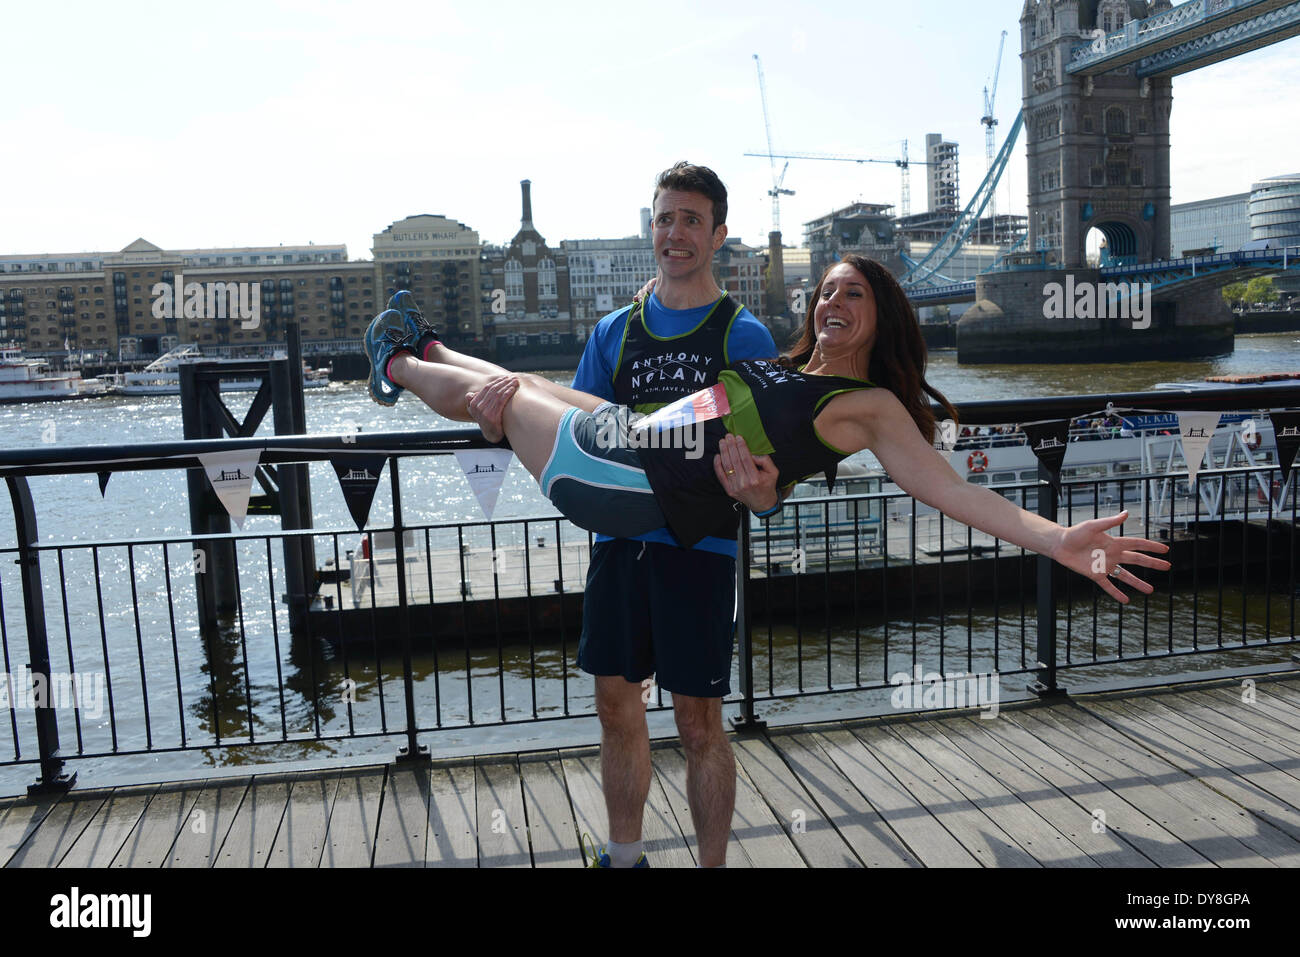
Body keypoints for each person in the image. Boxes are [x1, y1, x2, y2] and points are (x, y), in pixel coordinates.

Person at [363, 253, 1173, 859]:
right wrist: (738, 482)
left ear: (882, 314)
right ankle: (421, 342)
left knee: (496, 400)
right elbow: (649, 415)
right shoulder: (776, 368)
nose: (832, 300)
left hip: (633, 485)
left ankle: (393, 365)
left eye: (852, 292)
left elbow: (948, 490)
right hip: (630, 450)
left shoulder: (868, 405)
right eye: (825, 289)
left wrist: (1054, 538)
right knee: (516, 385)